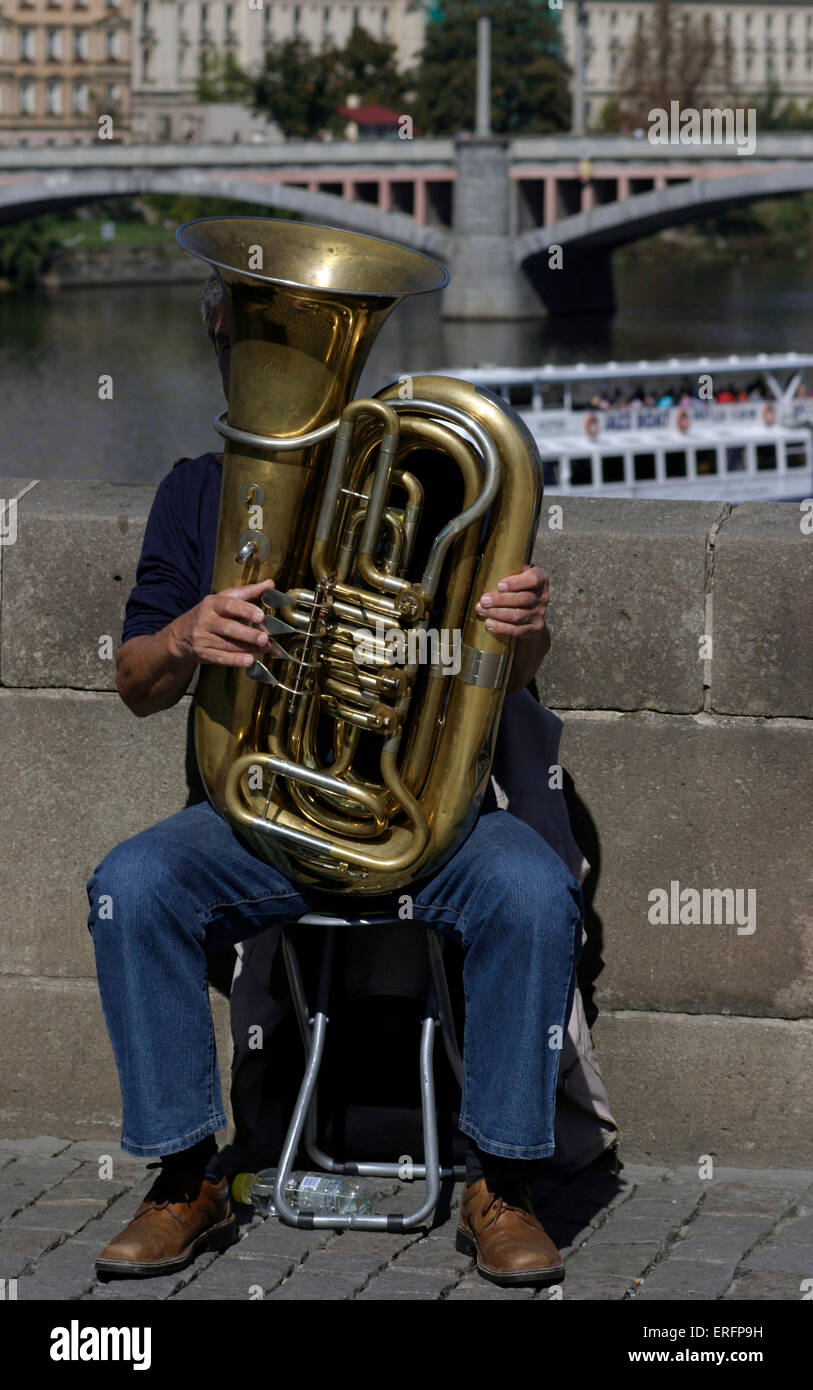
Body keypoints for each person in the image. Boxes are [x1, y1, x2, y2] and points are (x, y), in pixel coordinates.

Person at [86, 271, 584, 1290]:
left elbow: (493, 681)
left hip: (416, 820)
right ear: (221, 342)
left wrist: (521, 638)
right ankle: (188, 1175)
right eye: (255, 338)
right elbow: (136, 682)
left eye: (303, 346)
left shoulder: (430, 481)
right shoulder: (193, 492)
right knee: (129, 886)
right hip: (256, 818)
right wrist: (186, 636)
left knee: (532, 892)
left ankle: (502, 1183)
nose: (267, 366)